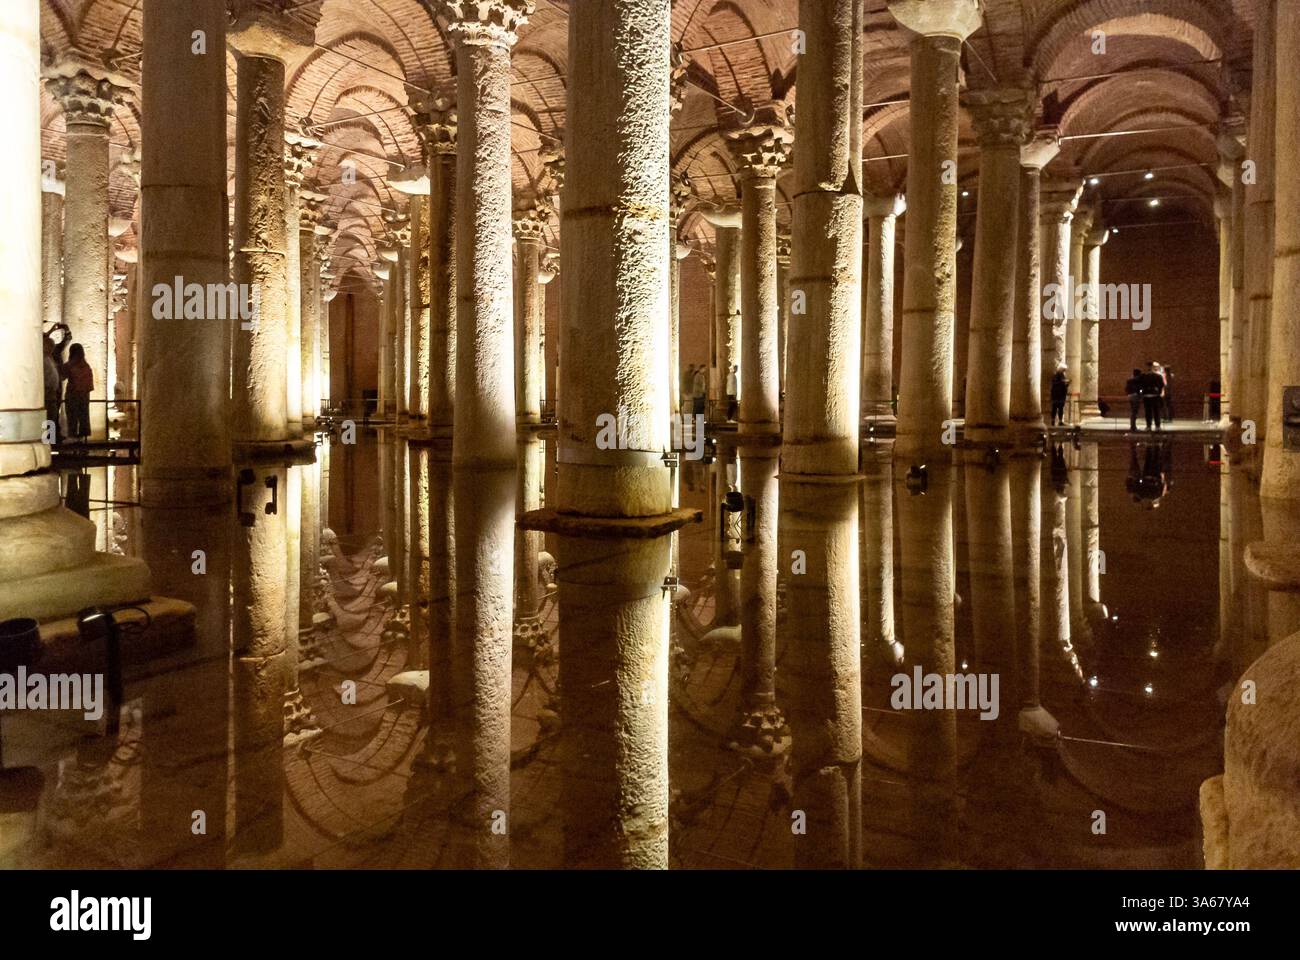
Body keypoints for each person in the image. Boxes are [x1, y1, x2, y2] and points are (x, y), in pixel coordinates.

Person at [63, 342, 93, 442]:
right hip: (84, 395)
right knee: (84, 416)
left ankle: (72, 438)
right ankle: (83, 439)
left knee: (72, 417)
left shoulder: (70, 365)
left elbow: (62, 376)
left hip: (73, 394)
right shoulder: (86, 366)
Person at [1139, 360, 1164, 431]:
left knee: (1148, 412)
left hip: (1146, 396)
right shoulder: (1158, 376)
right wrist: (1159, 393)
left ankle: (1148, 426)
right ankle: (1157, 426)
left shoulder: (1143, 376)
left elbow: (1140, 385)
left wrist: (1142, 393)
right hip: (1155, 395)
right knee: (1156, 412)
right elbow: (1161, 385)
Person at [1125, 367, 1143, 432]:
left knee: (1133, 411)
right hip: (1136, 396)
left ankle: (1132, 426)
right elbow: (1141, 388)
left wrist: (1128, 394)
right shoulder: (1139, 380)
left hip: (1131, 396)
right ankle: (1133, 426)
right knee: (1135, 412)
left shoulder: (1129, 380)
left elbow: (1126, 389)